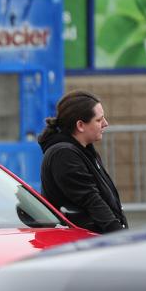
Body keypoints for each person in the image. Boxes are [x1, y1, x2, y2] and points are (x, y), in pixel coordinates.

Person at [38, 90, 127, 234]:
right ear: (80, 125)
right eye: (99, 120)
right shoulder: (64, 154)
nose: (105, 123)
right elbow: (91, 199)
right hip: (83, 244)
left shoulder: (85, 150)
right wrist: (119, 235)